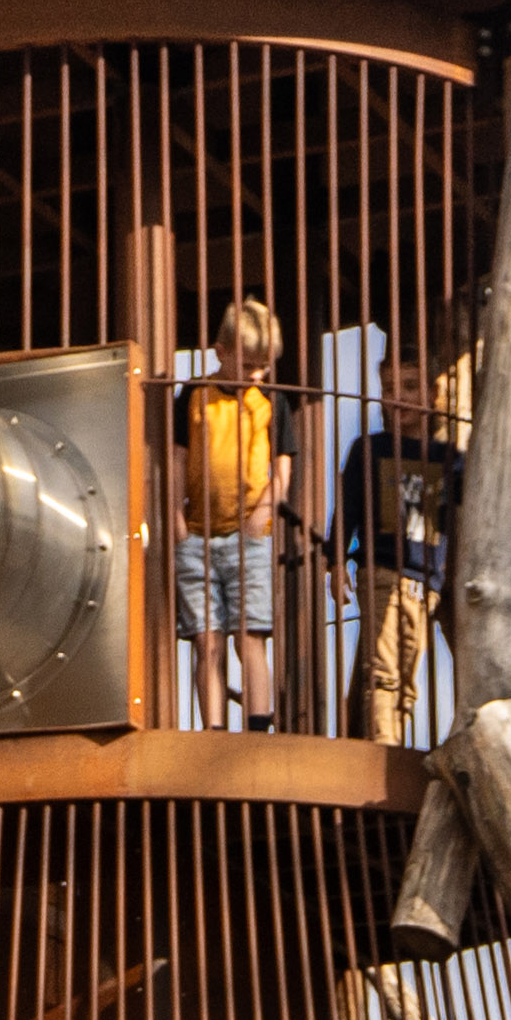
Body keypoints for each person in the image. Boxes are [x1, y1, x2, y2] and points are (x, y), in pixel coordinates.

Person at [173, 299, 297, 732]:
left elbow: (282, 469)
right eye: (247, 365)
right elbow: (177, 459)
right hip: (197, 535)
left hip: (249, 537)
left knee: (250, 637)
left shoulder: (271, 401)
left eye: (263, 366)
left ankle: (258, 727)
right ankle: (213, 730)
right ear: (220, 352)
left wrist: (263, 511)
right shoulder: (194, 395)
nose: (256, 375)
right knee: (207, 641)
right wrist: (175, 519)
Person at [337, 353, 464, 743]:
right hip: (380, 571)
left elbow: (460, 517)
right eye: (389, 388)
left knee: (408, 676)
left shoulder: (449, 460)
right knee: (383, 670)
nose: (398, 397)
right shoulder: (370, 449)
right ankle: (384, 745)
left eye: (409, 387)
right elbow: (348, 508)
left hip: (425, 582)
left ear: (432, 395)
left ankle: (394, 738)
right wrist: (335, 559)